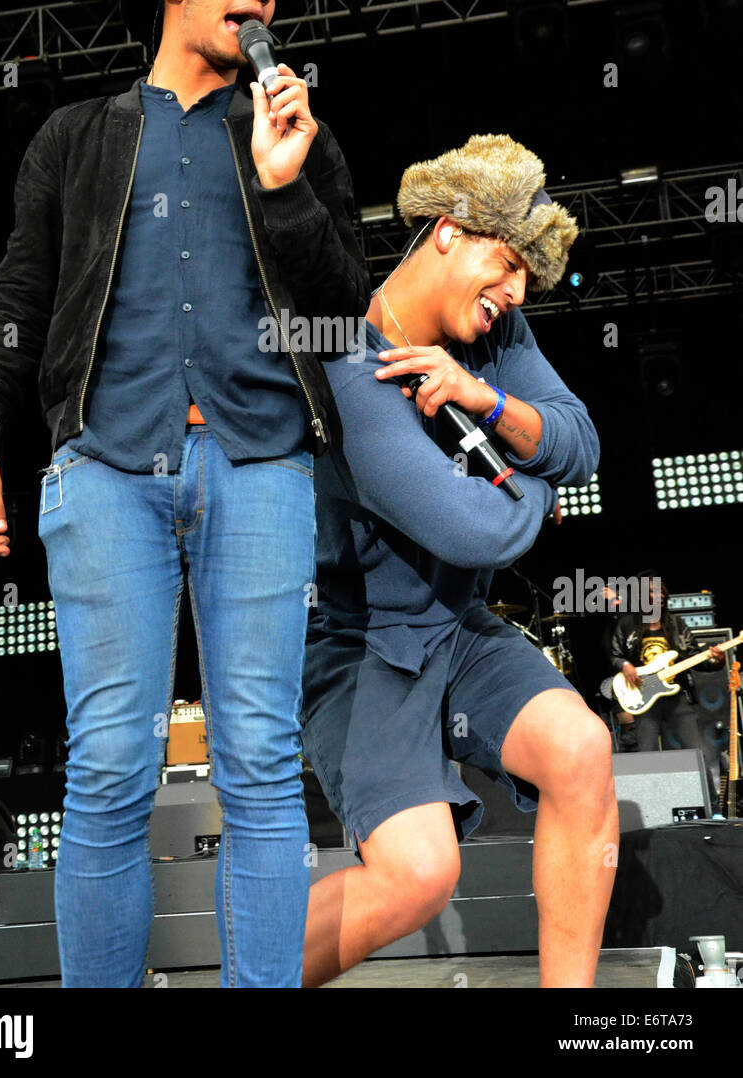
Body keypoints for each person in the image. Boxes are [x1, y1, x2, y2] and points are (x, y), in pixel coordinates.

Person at [0, 0, 370, 988]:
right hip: (108, 470)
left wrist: (285, 189)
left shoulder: (295, 133)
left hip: (263, 462)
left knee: (264, 767)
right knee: (111, 770)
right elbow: (21, 295)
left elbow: (342, 310)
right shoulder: (77, 137)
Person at [300, 134, 618, 989]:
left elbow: (581, 443)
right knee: (417, 874)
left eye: (523, 281)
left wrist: (487, 399)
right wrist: (533, 480)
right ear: (447, 231)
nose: (512, 294)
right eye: (506, 264)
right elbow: (479, 532)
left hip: (456, 628)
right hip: (361, 649)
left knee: (580, 748)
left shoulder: (495, 338)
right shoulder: (347, 364)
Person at [610, 571, 724, 754]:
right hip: (643, 697)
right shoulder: (627, 624)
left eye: (662, 592)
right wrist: (625, 665)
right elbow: (615, 656)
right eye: (654, 592)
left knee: (695, 752)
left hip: (676, 697)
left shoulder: (676, 625)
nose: (660, 596)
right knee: (648, 754)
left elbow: (696, 659)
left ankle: (703, 783)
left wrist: (717, 661)